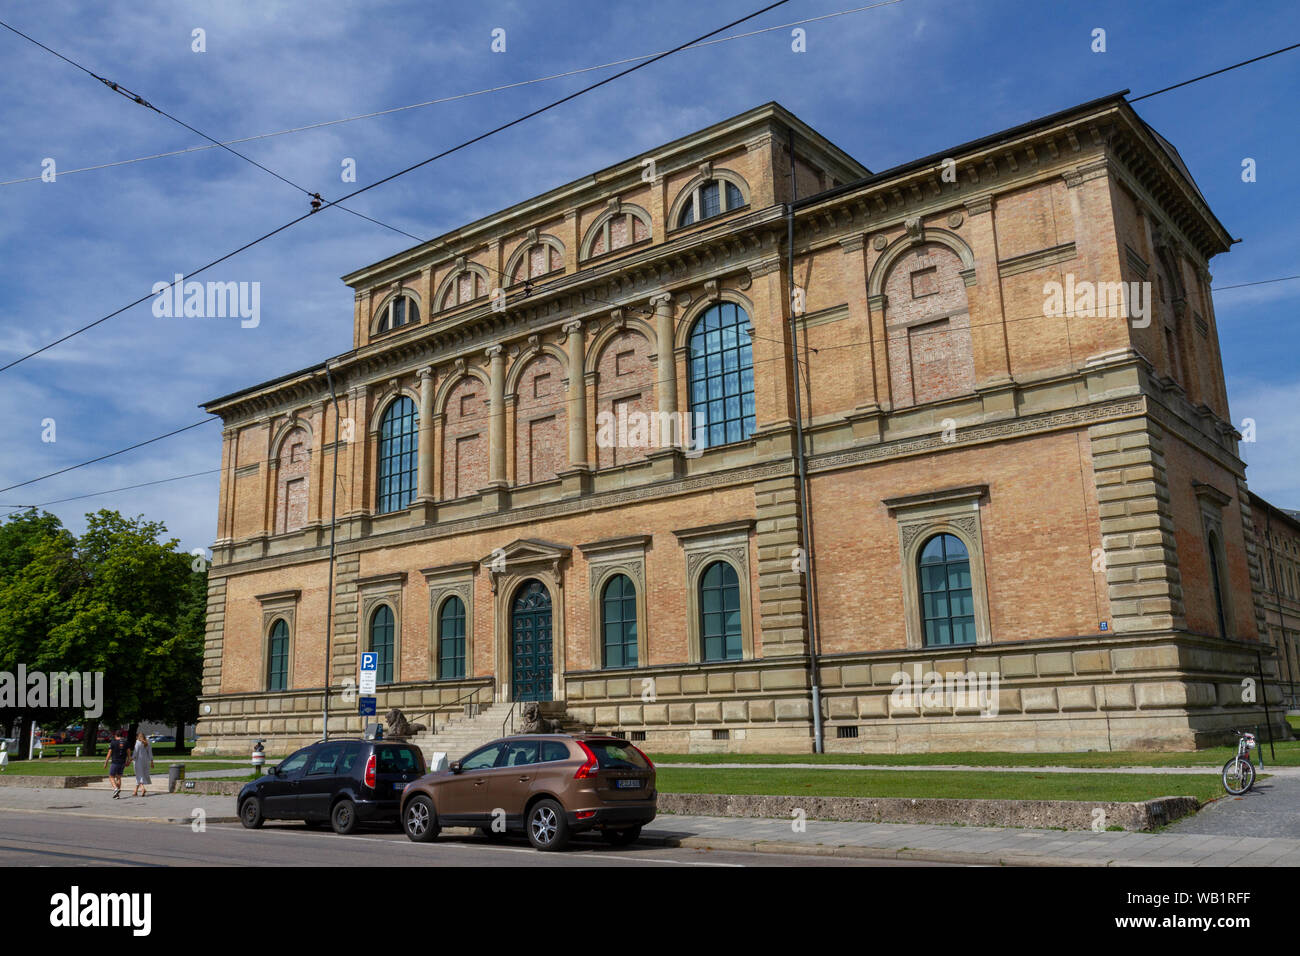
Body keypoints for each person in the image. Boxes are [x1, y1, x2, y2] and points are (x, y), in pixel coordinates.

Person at [103, 730, 130, 799]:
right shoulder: (126, 742)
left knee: (111, 777)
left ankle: (115, 789)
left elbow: (109, 753)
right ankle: (117, 795)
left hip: (115, 762)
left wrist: (106, 762)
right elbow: (128, 752)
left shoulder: (113, 742)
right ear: (122, 735)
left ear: (115, 735)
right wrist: (128, 760)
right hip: (122, 762)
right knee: (118, 777)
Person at [131, 733, 153, 797]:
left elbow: (135, 753)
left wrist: (130, 759)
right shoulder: (147, 743)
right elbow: (150, 753)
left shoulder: (138, 743)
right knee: (140, 775)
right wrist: (152, 761)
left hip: (138, 761)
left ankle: (143, 788)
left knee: (138, 776)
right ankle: (135, 791)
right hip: (145, 762)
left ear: (137, 737)